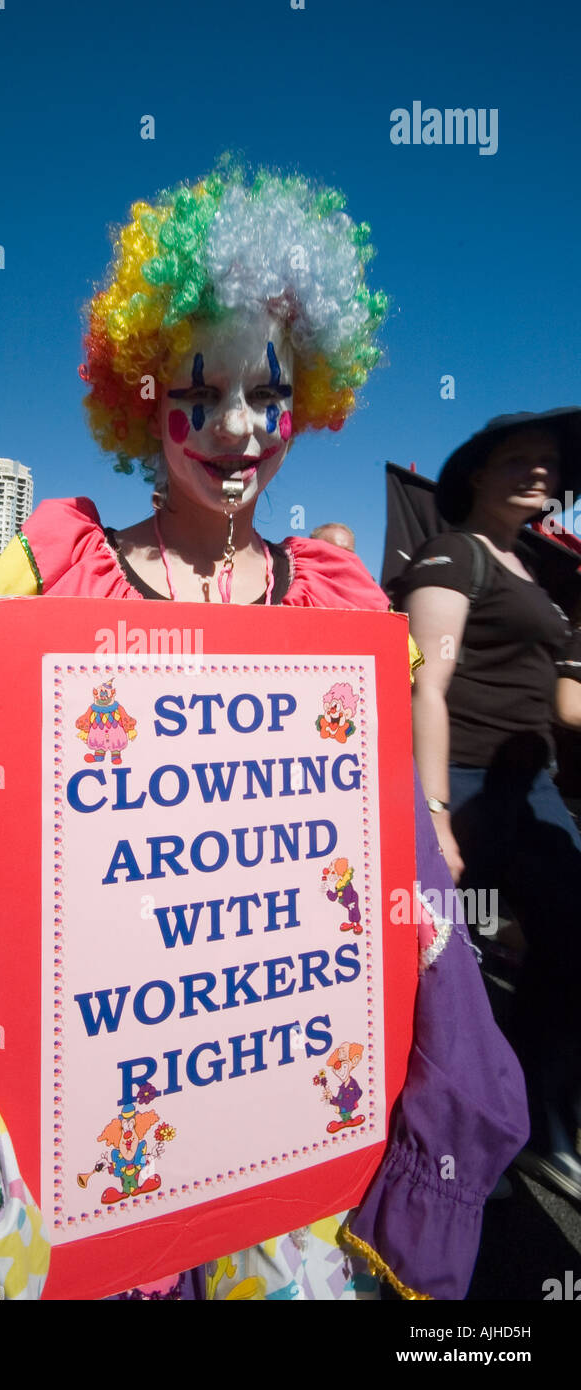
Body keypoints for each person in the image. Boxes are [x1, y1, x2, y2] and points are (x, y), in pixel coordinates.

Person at [0, 164, 527, 1301]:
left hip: (283, 1085)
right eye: (202, 390)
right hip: (111, 1072)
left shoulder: (338, 600)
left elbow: (383, 862)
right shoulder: (63, 572)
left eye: (267, 396)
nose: (236, 429)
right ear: (141, 398)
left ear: (307, 401)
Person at [398, 410, 581, 1201]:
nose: (538, 471)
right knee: (449, 977)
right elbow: (426, 684)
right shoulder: (453, 554)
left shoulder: (539, 571)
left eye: (547, 461)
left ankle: (541, 1126)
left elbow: (566, 702)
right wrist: (433, 810)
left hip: (531, 790)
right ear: (477, 473)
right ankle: (447, 1148)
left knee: (572, 948)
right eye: (518, 459)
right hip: (466, 783)